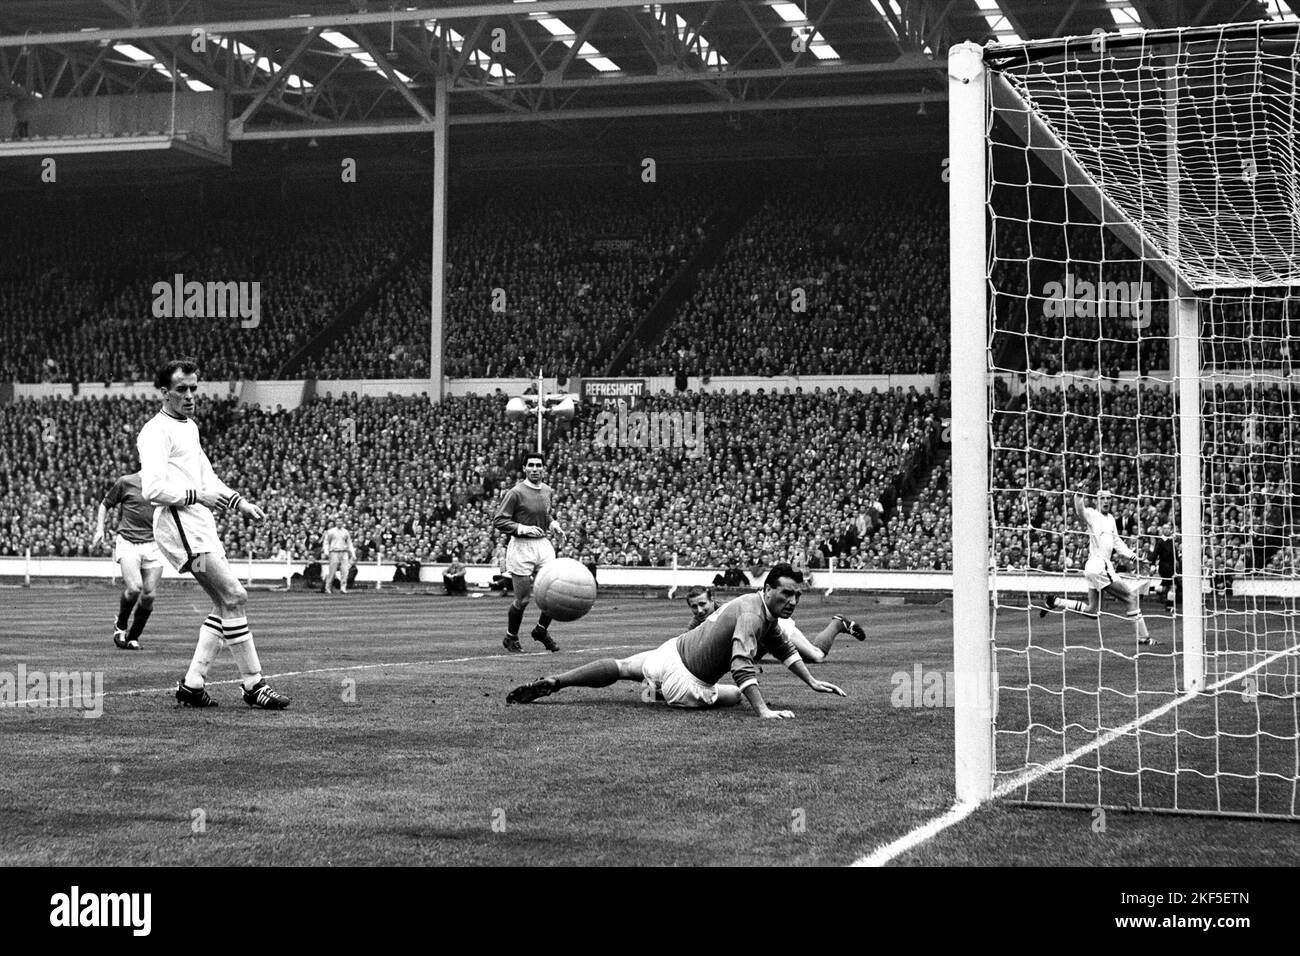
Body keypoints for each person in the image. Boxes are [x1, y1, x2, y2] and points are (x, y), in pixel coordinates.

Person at [137, 358, 291, 709]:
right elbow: (153, 489)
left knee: (225, 603)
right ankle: (253, 684)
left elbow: (207, 477)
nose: (190, 395)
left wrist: (240, 503)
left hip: (198, 522)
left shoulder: (188, 427)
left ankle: (192, 685)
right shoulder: (154, 431)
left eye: (193, 388)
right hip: (180, 523)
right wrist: (197, 496)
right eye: (181, 389)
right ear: (164, 392)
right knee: (234, 596)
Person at [506, 565, 847, 718]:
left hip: (672, 651)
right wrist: (764, 710)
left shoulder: (756, 604)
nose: (793, 601)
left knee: (624, 667)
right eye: (786, 594)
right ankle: (658, 693)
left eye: (797, 595)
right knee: (733, 696)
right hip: (688, 684)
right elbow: (741, 665)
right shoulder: (753, 615)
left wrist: (812, 681)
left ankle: (557, 682)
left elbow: (785, 649)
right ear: (769, 589)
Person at [1040, 490, 1156, 646]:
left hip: (1094, 567)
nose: (1106, 501)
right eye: (1103, 499)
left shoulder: (1111, 520)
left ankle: (1055, 601)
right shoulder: (1093, 515)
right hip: (1099, 565)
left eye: (1109, 498)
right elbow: (1080, 510)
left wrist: (1135, 558)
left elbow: (1117, 542)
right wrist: (1079, 494)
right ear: (1097, 501)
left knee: (1093, 611)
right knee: (1131, 598)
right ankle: (1144, 638)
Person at [492, 450, 566, 653]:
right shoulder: (515, 492)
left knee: (555, 593)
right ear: (524, 468)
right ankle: (511, 637)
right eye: (530, 465)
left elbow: (546, 514)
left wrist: (554, 525)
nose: (535, 469)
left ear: (543, 468)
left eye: (538, 465)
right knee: (523, 599)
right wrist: (522, 528)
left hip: (543, 544)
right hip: (521, 547)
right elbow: (499, 520)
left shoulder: (547, 490)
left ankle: (541, 630)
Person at [685, 584, 865, 664]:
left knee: (816, 656)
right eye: (694, 607)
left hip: (776, 626)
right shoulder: (698, 622)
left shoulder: (726, 610)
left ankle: (837, 624)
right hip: (761, 637)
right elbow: (688, 646)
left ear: (712, 600)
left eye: (702, 604)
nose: (699, 610)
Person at [92, 472, 163, 650]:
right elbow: (105, 504)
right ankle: (121, 624)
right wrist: (100, 529)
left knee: (149, 595)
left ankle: (133, 637)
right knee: (134, 588)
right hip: (129, 541)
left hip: (154, 544)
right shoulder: (126, 482)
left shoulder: (165, 483)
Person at [321, 519, 356, 595]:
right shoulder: (331, 532)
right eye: (337, 521)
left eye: (340, 521)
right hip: (334, 552)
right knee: (332, 571)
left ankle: (343, 588)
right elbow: (326, 542)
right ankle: (328, 588)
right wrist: (326, 552)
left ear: (342, 522)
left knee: (345, 571)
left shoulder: (346, 532)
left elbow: (349, 543)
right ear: (335, 522)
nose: (339, 523)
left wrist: (353, 554)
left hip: (344, 552)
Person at [1150, 522, 1178, 614]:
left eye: (1168, 528)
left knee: (1169, 586)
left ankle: (1157, 591)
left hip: (1172, 566)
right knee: (1171, 586)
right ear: (1162, 530)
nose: (1167, 530)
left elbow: (1175, 554)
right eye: (1165, 528)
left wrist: (1177, 562)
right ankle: (1169, 605)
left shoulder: (1172, 540)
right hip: (1164, 567)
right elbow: (1155, 554)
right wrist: (1153, 564)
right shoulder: (1161, 541)